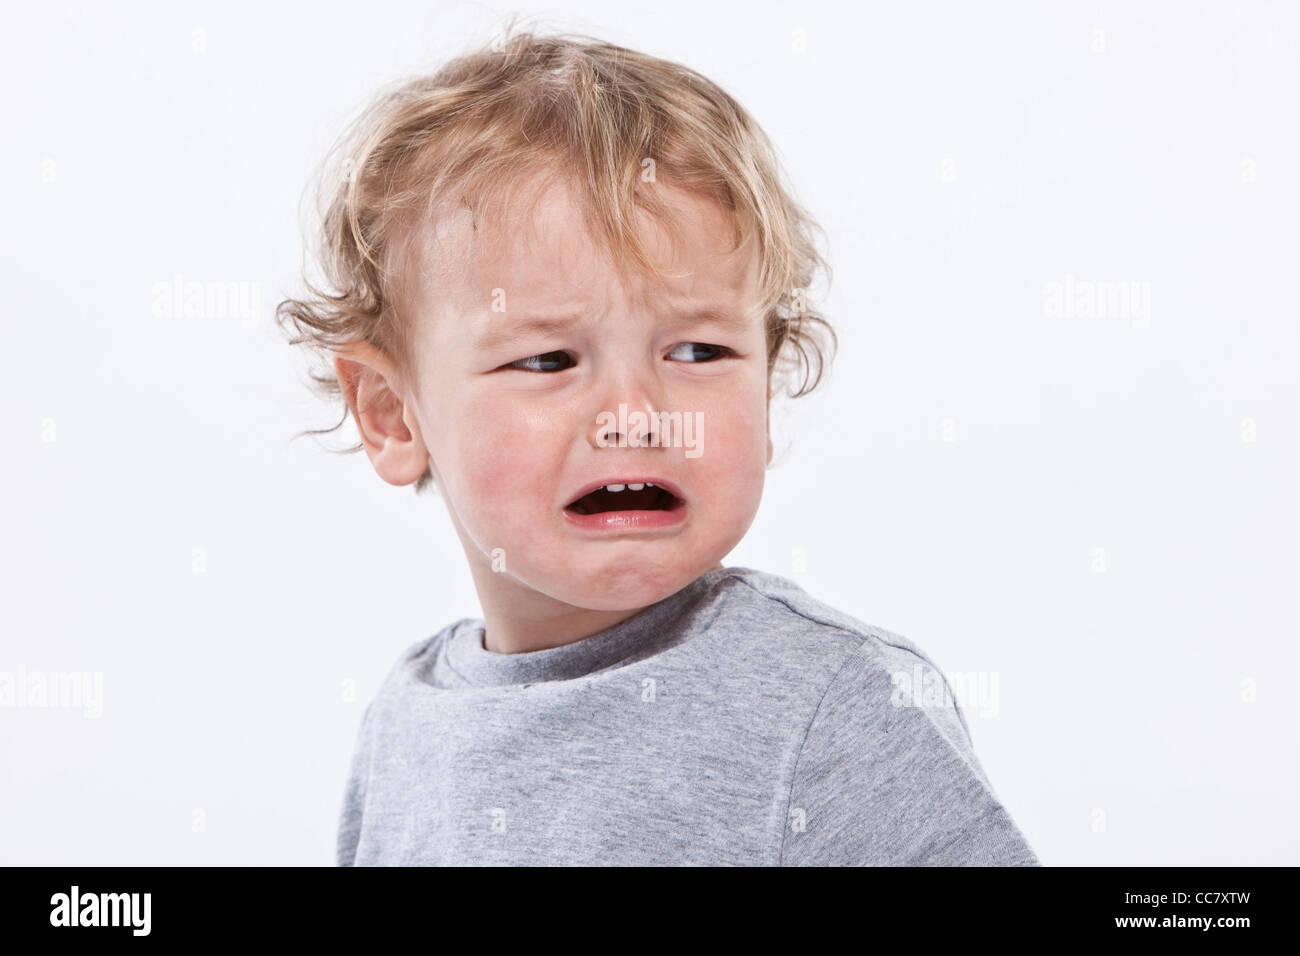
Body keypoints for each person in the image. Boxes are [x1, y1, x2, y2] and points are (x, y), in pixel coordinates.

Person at [276, 25, 1039, 866]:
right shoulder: (404, 727)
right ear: (392, 414)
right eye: (547, 360)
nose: (635, 415)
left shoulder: (833, 704)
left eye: (698, 353)